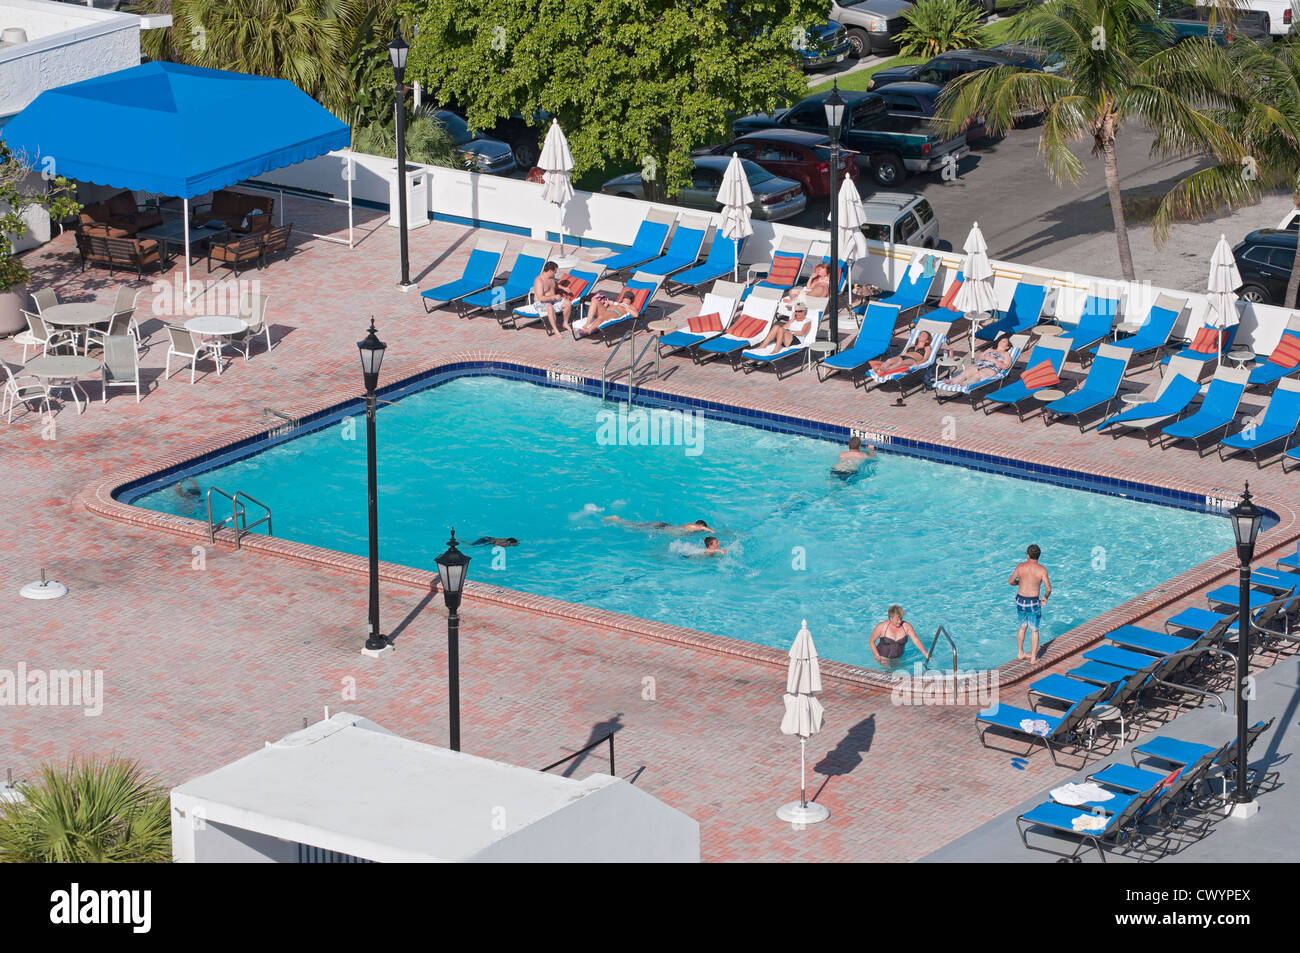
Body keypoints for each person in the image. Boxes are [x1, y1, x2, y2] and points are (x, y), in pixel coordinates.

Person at [1009, 544, 1052, 663]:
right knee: (1034, 630)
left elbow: (1011, 581)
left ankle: (1020, 653)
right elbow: (1048, 588)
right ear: (1039, 556)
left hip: (1020, 600)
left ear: (1028, 555)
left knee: (1022, 628)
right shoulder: (1042, 570)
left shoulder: (1020, 566)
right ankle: (1033, 658)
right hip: (1033, 602)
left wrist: (1019, 583)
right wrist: (1045, 598)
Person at [943, 337, 1014, 389]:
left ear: (1007, 347)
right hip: (980, 364)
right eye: (1001, 340)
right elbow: (979, 358)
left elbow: (1006, 366)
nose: (1001, 342)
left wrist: (993, 360)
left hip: (991, 368)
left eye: (1004, 341)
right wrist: (983, 358)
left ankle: (965, 384)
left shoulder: (1006, 354)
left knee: (979, 375)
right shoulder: (990, 349)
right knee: (966, 372)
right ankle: (952, 381)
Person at [531, 261, 571, 334]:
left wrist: (563, 288)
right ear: (550, 271)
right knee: (549, 307)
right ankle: (555, 329)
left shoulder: (551, 276)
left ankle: (565, 323)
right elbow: (540, 298)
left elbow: (555, 284)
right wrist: (554, 296)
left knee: (568, 303)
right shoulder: (539, 281)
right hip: (540, 303)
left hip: (552, 300)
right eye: (555, 271)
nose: (555, 273)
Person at [604, 516, 713, 535]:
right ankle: (617, 519)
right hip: (662, 526)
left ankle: (618, 520)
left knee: (637, 526)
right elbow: (694, 526)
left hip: (663, 526)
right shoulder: (691, 527)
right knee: (636, 527)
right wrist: (710, 530)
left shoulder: (691, 529)